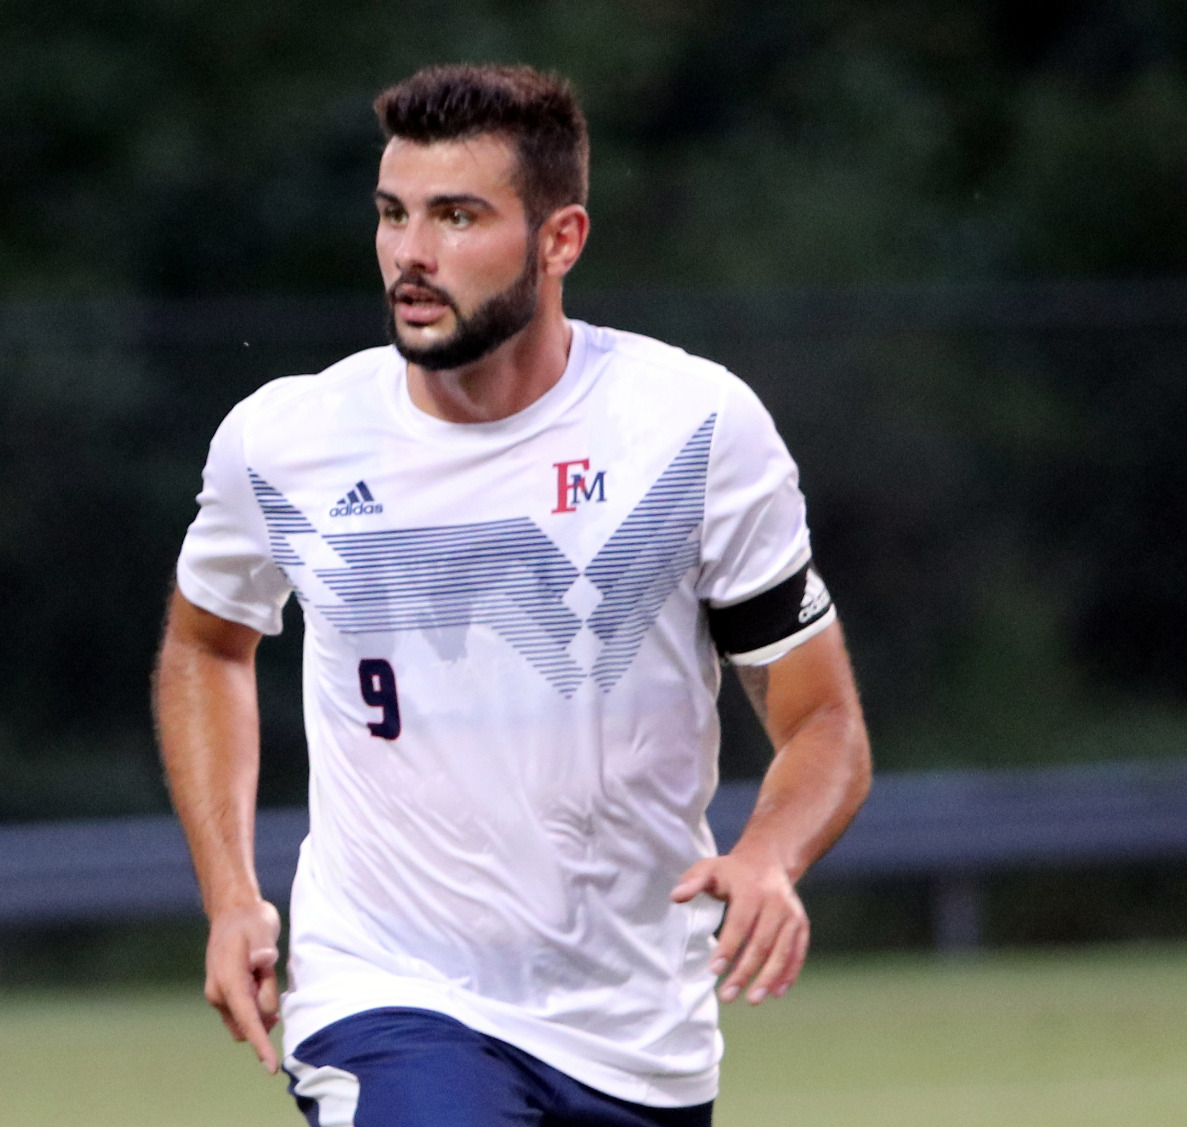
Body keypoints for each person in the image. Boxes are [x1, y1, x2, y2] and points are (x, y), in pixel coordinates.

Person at [154, 63, 871, 1127]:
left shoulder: (692, 430)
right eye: (392, 215)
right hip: (384, 992)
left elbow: (822, 721)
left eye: (455, 216)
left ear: (559, 239)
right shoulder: (284, 440)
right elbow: (205, 647)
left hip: (637, 1032)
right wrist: (230, 895)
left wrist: (767, 856)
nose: (410, 252)